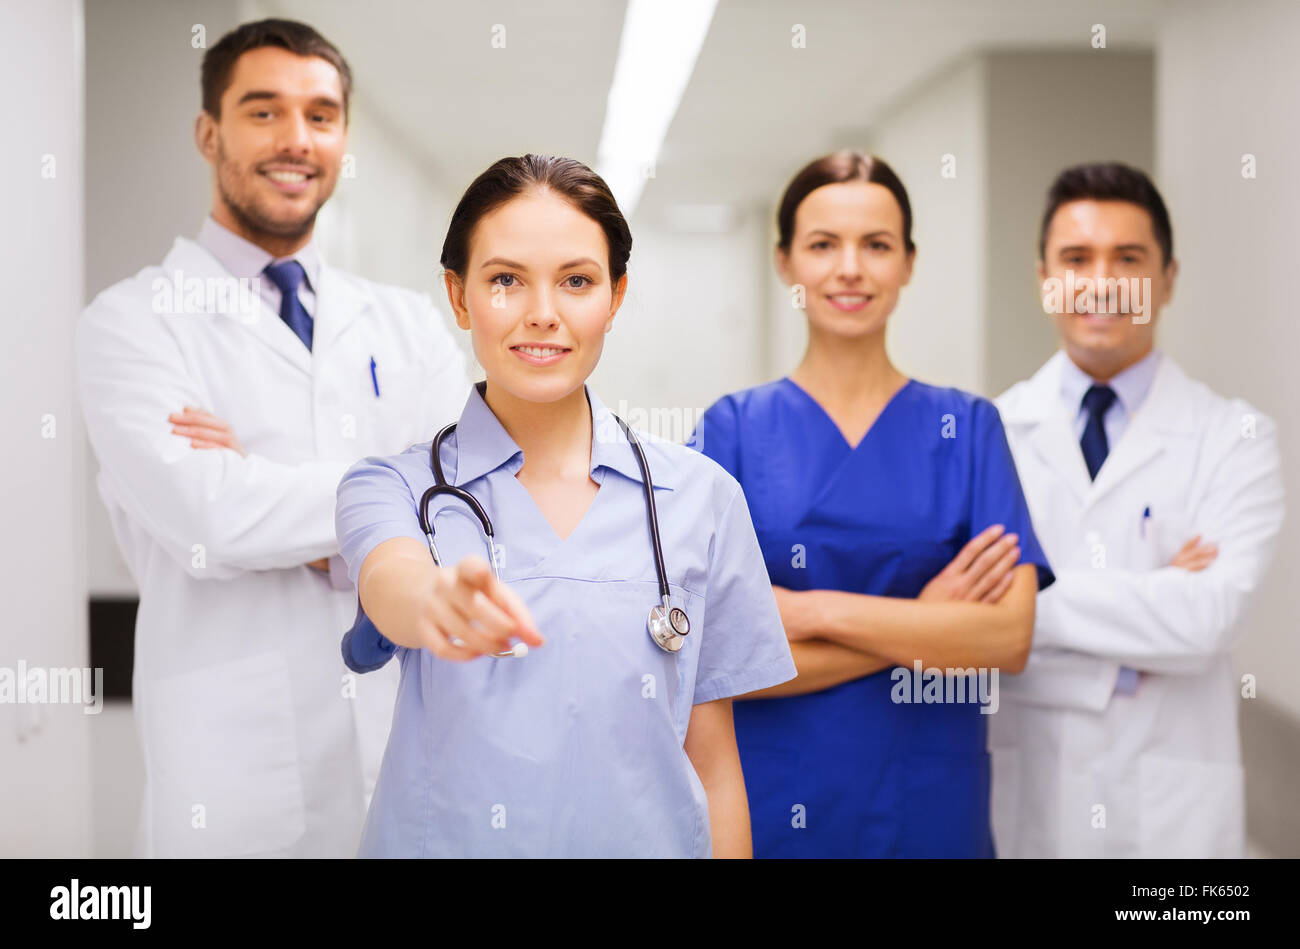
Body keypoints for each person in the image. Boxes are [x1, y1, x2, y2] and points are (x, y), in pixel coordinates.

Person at [75, 19, 469, 858]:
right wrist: (381, 513)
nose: (296, 140)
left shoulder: (406, 322)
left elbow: (463, 501)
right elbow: (210, 520)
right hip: (233, 779)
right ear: (208, 133)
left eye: (321, 116)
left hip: (404, 754)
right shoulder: (131, 323)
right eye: (264, 112)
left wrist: (263, 482)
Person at [334, 154, 797, 858]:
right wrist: (437, 597)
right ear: (458, 297)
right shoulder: (395, 488)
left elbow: (714, 765)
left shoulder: (702, 499)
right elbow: (393, 581)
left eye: (577, 281)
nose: (542, 314)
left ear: (615, 295)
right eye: (505, 281)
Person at [689, 151, 1054, 858]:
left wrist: (802, 610)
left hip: (930, 806)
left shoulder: (968, 428)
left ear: (909, 263)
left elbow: (1007, 639)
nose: (849, 267)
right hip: (775, 803)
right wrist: (927, 623)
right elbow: (708, 654)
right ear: (785, 262)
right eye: (823, 244)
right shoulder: (732, 430)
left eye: (876, 245)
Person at [989, 162, 1285, 858]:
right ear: (1044, 279)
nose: (1103, 280)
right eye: (1076, 258)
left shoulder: (1234, 436)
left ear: (1168, 278)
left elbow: (1210, 616)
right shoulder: (989, 432)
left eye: (1129, 258)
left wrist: (1026, 599)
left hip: (1171, 815)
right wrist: (1154, 600)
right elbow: (965, 624)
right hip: (1029, 791)